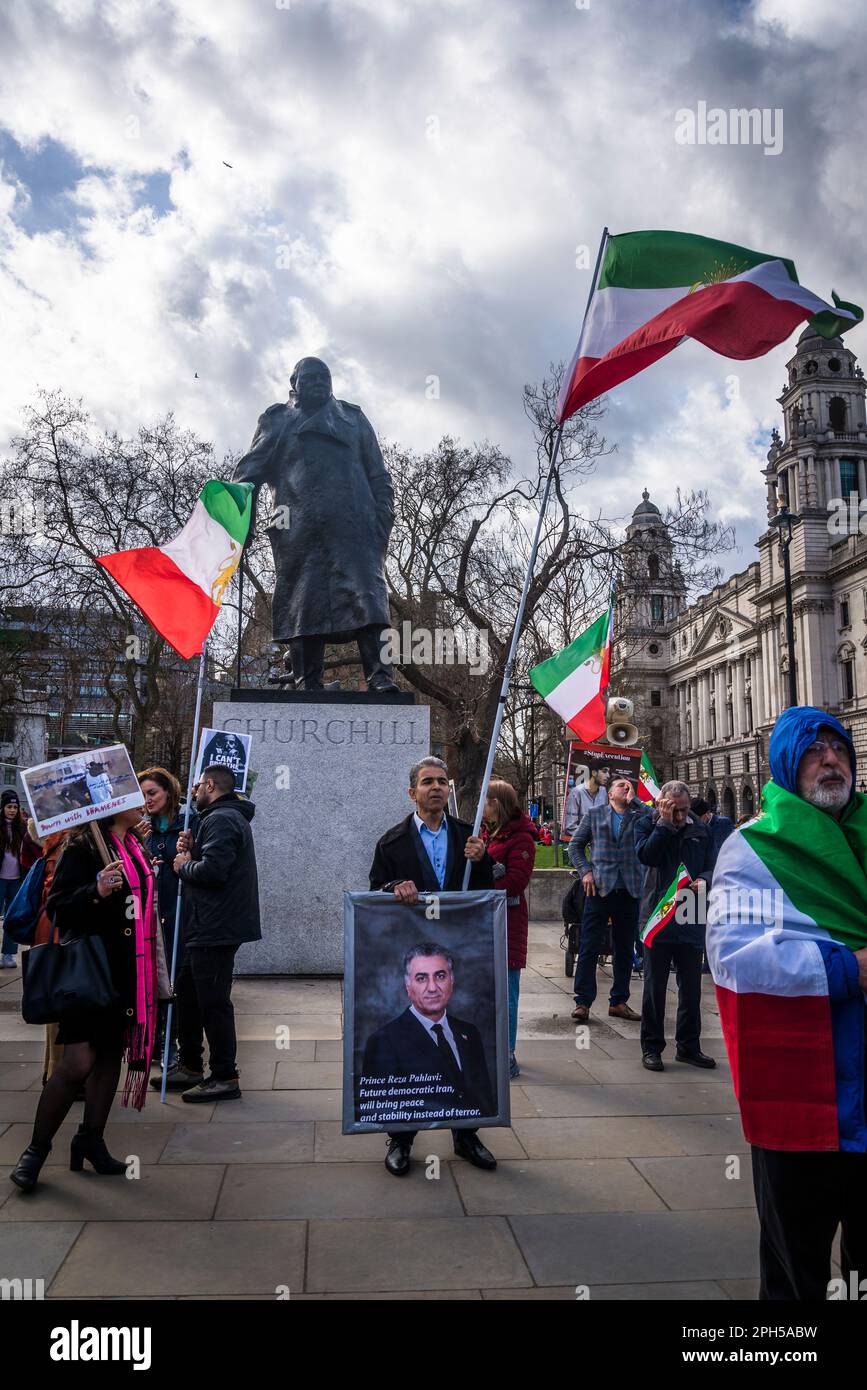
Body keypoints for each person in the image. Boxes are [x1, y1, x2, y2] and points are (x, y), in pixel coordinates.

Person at [707, 707, 867, 1301]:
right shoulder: (752, 849)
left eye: (839, 748)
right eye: (813, 750)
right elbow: (733, 957)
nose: (830, 759)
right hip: (800, 1095)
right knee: (794, 1269)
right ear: (785, 764)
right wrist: (847, 967)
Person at [9, 801, 159, 1193]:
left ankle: (91, 1139)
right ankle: (36, 1151)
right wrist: (96, 888)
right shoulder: (83, 847)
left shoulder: (132, 846)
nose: (142, 802)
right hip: (91, 971)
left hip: (128, 971)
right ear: (114, 808)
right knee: (77, 1061)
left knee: (110, 1056)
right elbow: (58, 907)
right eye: (134, 797)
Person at [234, 355, 398, 692]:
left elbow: (379, 476)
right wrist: (239, 528)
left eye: (324, 377)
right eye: (310, 377)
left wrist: (382, 520)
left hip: (357, 530)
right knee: (303, 604)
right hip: (300, 531)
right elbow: (247, 477)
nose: (319, 382)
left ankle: (380, 678)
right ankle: (307, 681)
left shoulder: (352, 419)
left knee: (370, 598)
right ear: (294, 384)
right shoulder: (278, 421)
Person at [369, 755, 498, 1176]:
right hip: (413, 951)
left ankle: (466, 1134)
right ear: (413, 792)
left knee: (462, 1043)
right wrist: (393, 887)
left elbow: (487, 894)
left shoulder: (468, 837)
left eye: (443, 781)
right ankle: (401, 1136)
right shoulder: (392, 842)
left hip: (457, 949)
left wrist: (483, 862)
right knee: (409, 1049)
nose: (437, 788)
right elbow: (373, 894)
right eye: (428, 782)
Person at [169, 764, 261, 1102]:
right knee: (189, 991)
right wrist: (190, 850)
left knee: (213, 1001)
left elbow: (214, 871)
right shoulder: (216, 819)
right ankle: (191, 1064)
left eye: (196, 787)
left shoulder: (221, 819)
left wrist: (183, 866)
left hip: (215, 925)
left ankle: (224, 1075)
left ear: (210, 785)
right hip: (205, 923)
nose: (193, 793)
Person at [635, 780, 716, 1071]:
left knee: (692, 987)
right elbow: (647, 856)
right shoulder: (647, 823)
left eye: (684, 810)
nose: (681, 815)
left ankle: (689, 1046)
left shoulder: (701, 828)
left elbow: (713, 863)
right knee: (654, 987)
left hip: (691, 910)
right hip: (659, 910)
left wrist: (705, 878)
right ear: (662, 804)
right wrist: (665, 825)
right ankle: (652, 1047)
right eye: (674, 809)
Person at [361, 944, 496, 1119]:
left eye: (440, 976)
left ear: (451, 982)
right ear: (408, 986)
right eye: (421, 978)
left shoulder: (469, 1033)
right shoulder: (383, 1040)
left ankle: (466, 1138)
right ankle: (402, 1140)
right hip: (406, 1122)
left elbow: (481, 1095)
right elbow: (381, 1104)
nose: (432, 988)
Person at [567, 776, 645, 1025]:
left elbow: (658, 822)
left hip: (630, 890)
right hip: (599, 889)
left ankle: (619, 1002)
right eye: (621, 785)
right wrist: (585, 871)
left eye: (629, 785)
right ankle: (583, 1002)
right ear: (609, 793)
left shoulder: (639, 814)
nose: (626, 787)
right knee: (589, 946)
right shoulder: (595, 814)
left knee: (624, 949)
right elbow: (575, 846)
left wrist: (638, 802)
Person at [138, 767, 196, 1078]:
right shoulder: (142, 830)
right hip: (149, 918)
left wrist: (184, 856)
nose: (147, 800)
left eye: (152, 793)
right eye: (143, 794)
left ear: (168, 793)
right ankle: (156, 1044)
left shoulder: (187, 826)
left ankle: (173, 1047)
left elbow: (195, 868)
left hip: (179, 917)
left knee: (175, 982)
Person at [482, 780, 537, 1077]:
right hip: (487, 921)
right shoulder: (490, 833)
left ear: (497, 803)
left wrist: (483, 882)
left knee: (506, 992)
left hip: (507, 923)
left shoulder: (521, 838)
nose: (482, 807)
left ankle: (508, 1054)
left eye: (486, 801)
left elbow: (516, 881)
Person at [0, 789, 26, 968]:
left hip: (16, 880)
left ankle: (8, 955)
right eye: (9, 806)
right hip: (0, 878)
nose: (12, 810)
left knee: (12, 917)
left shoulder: (22, 828)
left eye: (15, 807)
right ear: (2, 808)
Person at [563, 766, 610, 836]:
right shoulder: (576, 792)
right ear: (594, 773)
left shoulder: (603, 792)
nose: (608, 775)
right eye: (604, 771)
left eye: (608, 772)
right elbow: (570, 827)